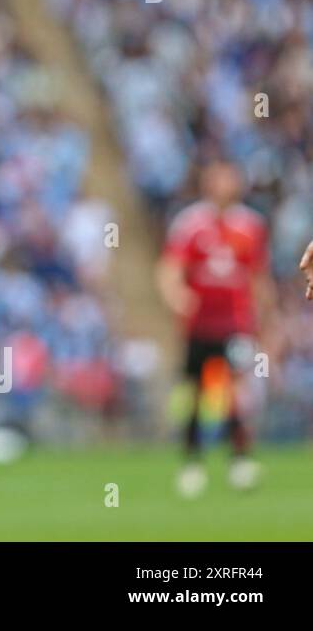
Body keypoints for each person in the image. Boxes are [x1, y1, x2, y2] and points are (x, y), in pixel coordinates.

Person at [156, 160, 275, 498]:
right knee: (195, 390)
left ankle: (240, 459)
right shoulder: (190, 223)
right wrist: (177, 296)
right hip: (199, 324)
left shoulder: (251, 225)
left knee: (235, 387)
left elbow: (258, 277)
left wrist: (266, 318)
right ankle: (192, 461)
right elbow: (170, 268)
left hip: (236, 322)